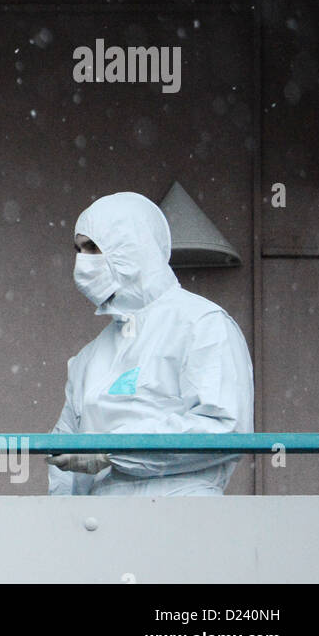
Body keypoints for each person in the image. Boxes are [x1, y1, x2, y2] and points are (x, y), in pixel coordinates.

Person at [47, 191, 254, 496]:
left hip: (184, 522)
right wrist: (61, 524)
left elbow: (224, 429)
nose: (82, 262)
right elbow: (63, 454)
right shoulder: (89, 358)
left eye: (93, 247)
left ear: (132, 246)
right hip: (98, 531)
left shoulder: (202, 324)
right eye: (78, 249)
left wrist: (111, 453)